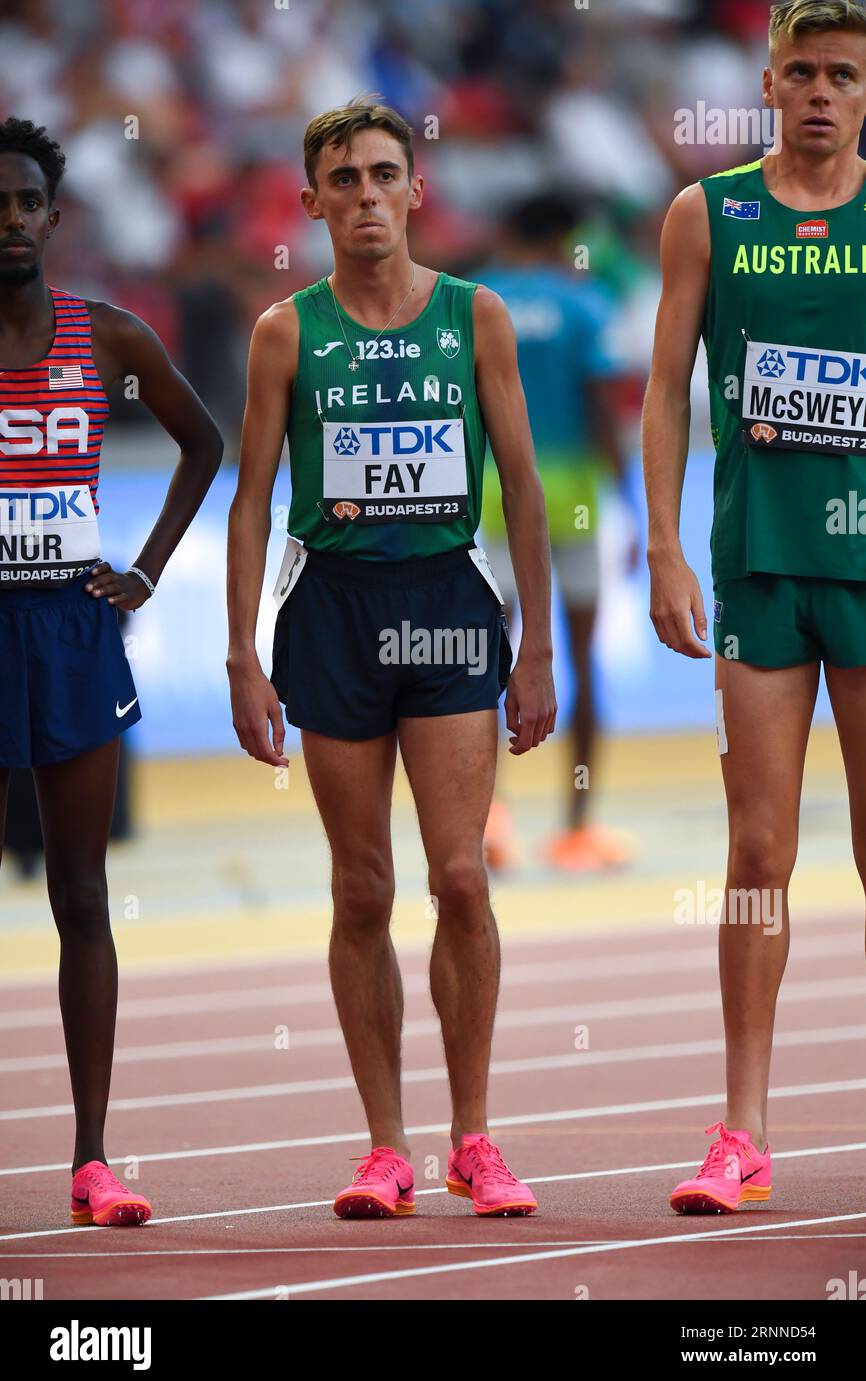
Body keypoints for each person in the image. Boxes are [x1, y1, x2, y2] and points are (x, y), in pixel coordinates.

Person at [226, 96, 556, 1219]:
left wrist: (536, 651)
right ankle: (385, 1146)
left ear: (416, 191)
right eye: (343, 179)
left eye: (383, 175)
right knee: (360, 887)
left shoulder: (475, 317)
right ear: (311, 199)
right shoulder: (286, 331)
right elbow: (251, 498)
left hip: (447, 602)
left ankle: (473, 1136)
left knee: (459, 876)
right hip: (332, 610)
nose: (365, 196)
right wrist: (240, 657)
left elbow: (520, 485)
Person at [643, 0, 866, 1214]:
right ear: (766, 82)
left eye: (842, 73)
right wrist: (664, 549)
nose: (821, 91)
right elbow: (666, 391)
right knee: (757, 852)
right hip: (758, 570)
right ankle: (741, 1131)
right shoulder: (710, 213)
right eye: (802, 72)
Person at [0, 117, 223, 1226]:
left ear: (52, 214)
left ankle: (91, 1158)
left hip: (74, 630)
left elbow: (205, 443)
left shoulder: (108, 336)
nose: (10, 219)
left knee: (80, 893)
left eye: (26, 202)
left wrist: (143, 569)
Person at [476, 192, 639, 873]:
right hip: (571, 497)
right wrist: (629, 505)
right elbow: (605, 409)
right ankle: (576, 829)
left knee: (481, 663)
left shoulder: (473, 304)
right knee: (579, 660)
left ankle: (486, 819)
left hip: (490, 497)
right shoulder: (585, 305)